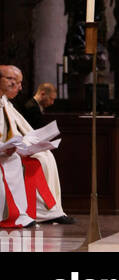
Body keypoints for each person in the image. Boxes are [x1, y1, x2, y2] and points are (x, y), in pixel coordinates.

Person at [0, 66, 73, 228]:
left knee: (46, 156)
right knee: (35, 160)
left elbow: (18, 128)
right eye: (12, 80)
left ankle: (51, 210)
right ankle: (36, 212)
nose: (17, 86)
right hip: (4, 152)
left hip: (9, 149)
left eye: (19, 82)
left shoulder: (5, 102)